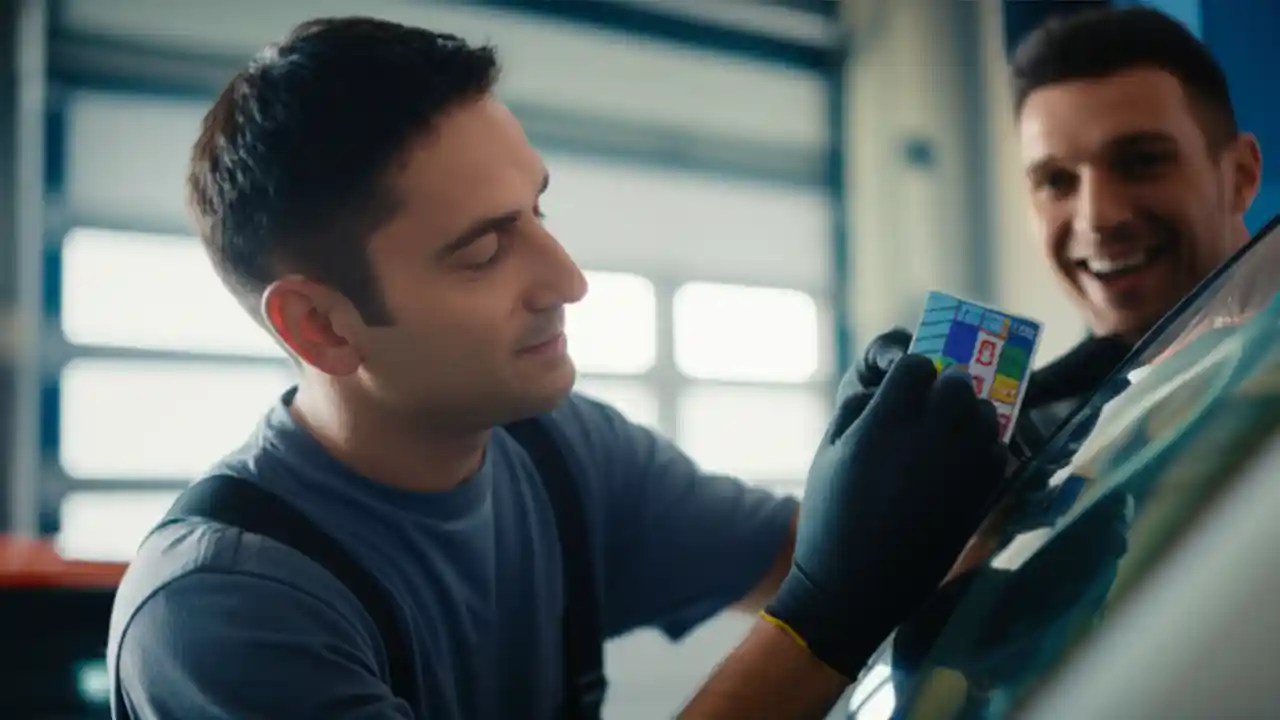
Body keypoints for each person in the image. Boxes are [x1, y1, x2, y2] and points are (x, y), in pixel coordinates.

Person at [105, 17, 1005, 720]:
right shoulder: (224, 614)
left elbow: (839, 559)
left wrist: (966, 462)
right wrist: (825, 615)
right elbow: (830, 589)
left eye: (537, 211)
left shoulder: (559, 451)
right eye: (483, 251)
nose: (569, 280)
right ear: (322, 326)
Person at [1010, 6, 1263, 435]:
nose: (1097, 218)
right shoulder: (1035, 435)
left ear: (1241, 175)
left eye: (1142, 162)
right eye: (1056, 181)